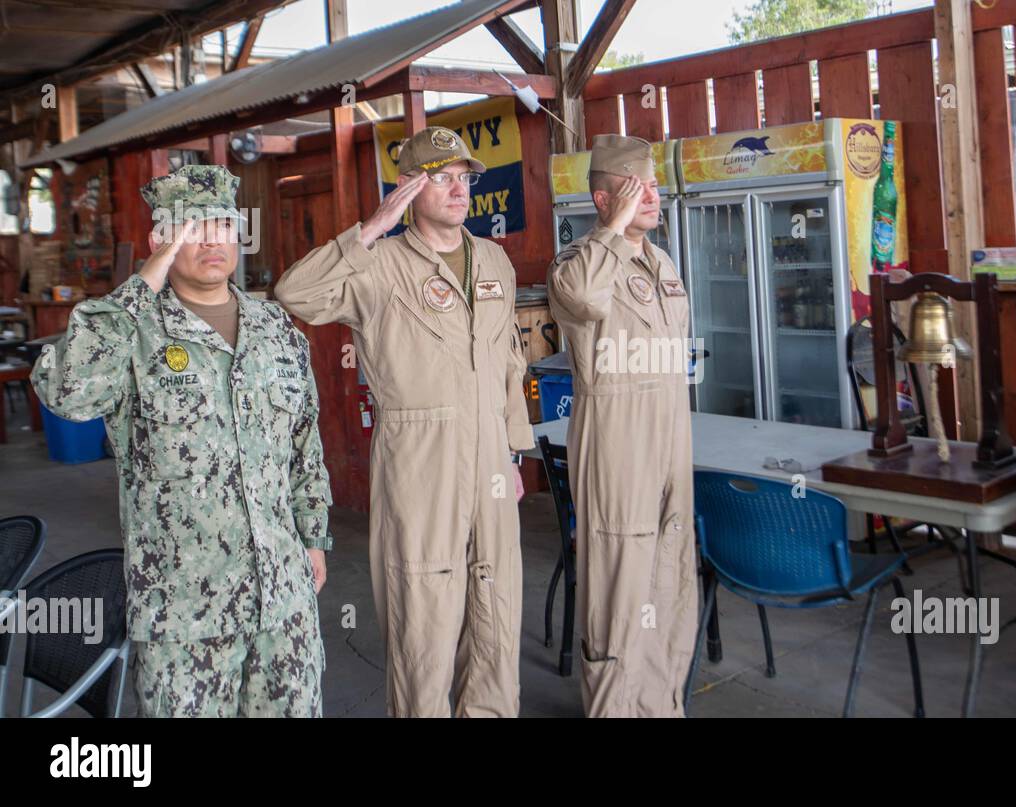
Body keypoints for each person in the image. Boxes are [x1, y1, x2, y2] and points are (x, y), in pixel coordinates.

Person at [33, 165, 331, 717]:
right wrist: (144, 282)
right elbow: (65, 392)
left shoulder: (277, 330)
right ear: (160, 242)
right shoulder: (131, 332)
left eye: (221, 223)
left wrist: (313, 536)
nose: (212, 240)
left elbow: (304, 445)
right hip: (183, 615)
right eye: (191, 227)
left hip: (283, 607)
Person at [276, 126, 533, 717]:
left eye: (464, 178)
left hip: (491, 459)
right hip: (420, 462)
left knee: (497, 611)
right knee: (424, 618)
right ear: (408, 189)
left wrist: (514, 451)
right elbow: (296, 294)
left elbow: (508, 359)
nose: (458, 189)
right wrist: (370, 228)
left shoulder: (493, 258)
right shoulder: (379, 265)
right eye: (440, 178)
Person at [547, 134, 697, 717]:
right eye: (637, 189)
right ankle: (612, 709)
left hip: (670, 436)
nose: (652, 198)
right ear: (604, 199)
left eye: (654, 187)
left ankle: (661, 705)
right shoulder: (578, 261)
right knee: (619, 583)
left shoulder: (660, 262)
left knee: (670, 576)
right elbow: (581, 298)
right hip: (617, 442)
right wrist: (613, 232)